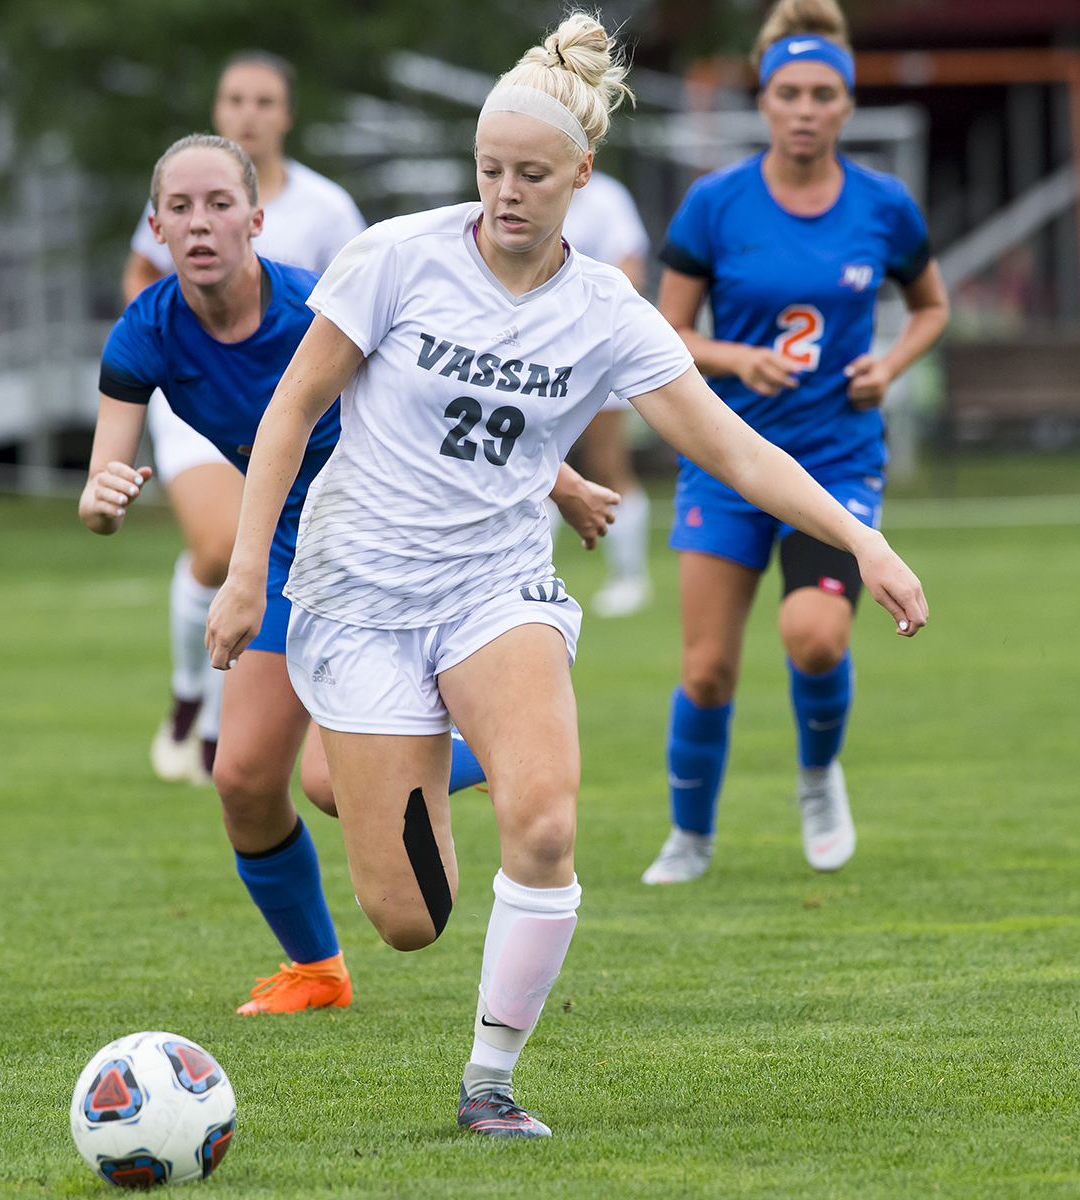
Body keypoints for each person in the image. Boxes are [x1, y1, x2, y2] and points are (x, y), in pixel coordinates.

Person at [205, 13, 927, 1138]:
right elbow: (293, 406)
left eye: (532, 175)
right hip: (360, 596)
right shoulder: (396, 256)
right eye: (490, 169)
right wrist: (249, 574)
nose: (505, 193)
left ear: (581, 178)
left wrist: (864, 540)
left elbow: (734, 448)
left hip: (496, 590)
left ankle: (489, 1085)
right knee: (407, 921)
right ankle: (415, 758)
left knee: (544, 822)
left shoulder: (605, 312)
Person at [83, 134, 616, 1016]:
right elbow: (104, 484)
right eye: (180, 208)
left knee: (329, 786)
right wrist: (103, 497)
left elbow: (445, 395)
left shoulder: (313, 304)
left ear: (257, 219)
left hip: (374, 534)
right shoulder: (144, 332)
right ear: (155, 228)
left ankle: (511, 751)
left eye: (220, 203)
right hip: (281, 542)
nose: (201, 222)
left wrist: (557, 481)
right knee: (244, 781)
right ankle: (318, 971)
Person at [640, 0, 949, 886]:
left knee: (815, 637)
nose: (805, 108)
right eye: (788, 92)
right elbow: (663, 334)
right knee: (706, 671)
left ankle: (818, 778)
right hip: (728, 460)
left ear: (846, 105)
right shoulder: (715, 203)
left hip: (835, 460)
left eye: (822, 93)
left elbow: (933, 307)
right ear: (763, 100)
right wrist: (738, 357)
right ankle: (690, 837)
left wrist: (890, 367)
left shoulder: (884, 206)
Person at [123, 50, 367, 787]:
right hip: (199, 403)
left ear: (287, 115)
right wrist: (145, 337)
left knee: (257, 557)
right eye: (235, 99)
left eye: (264, 101)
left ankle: (228, 729)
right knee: (223, 546)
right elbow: (142, 273)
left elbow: (363, 308)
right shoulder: (188, 185)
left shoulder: (327, 209)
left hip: (298, 425)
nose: (248, 113)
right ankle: (190, 696)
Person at [560, 171, 654, 617]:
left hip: (593, 352)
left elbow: (628, 267)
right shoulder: (516, 188)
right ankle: (521, 577)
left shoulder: (605, 197)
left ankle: (629, 575)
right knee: (522, 464)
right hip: (533, 353)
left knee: (606, 463)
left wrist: (589, 331)